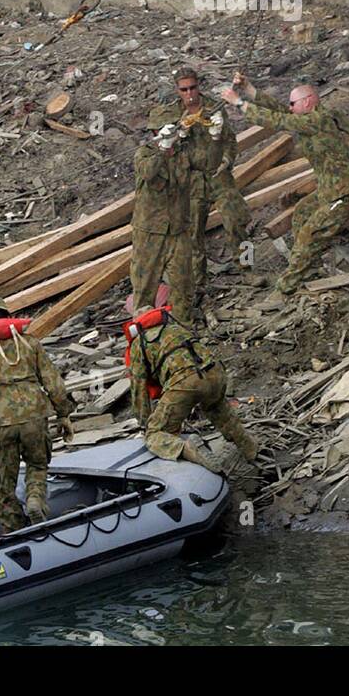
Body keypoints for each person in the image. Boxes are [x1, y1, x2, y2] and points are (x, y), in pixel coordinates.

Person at [220, 73, 349, 296]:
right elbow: (281, 111)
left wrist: (239, 103)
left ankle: (288, 285)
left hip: (348, 193)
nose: (290, 108)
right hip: (331, 190)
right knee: (301, 214)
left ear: (308, 101)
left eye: (293, 103)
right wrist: (248, 89)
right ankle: (310, 266)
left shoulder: (319, 121)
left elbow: (280, 120)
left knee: (310, 232)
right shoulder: (308, 120)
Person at [0, 298, 75, 535]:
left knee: (4, 484)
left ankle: (16, 533)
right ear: (7, 315)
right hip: (35, 414)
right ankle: (35, 499)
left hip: (1, 421)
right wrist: (63, 414)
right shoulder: (29, 341)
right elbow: (53, 380)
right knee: (37, 464)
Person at [148, 67, 252, 300]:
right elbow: (160, 149)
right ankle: (198, 282)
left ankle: (249, 269)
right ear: (177, 90)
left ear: (199, 86)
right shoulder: (171, 114)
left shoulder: (213, 107)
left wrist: (227, 159)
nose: (190, 93)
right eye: (184, 89)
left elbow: (230, 141)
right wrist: (174, 138)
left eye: (193, 87)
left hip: (218, 175)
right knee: (193, 235)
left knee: (237, 223)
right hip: (192, 181)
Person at [125, 302, 257, 471]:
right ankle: (250, 449)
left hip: (185, 381)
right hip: (215, 372)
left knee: (156, 434)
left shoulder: (139, 342)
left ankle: (188, 450)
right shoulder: (177, 329)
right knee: (219, 412)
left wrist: (144, 423)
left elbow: (138, 388)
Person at [130, 113, 195, 323]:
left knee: (183, 281)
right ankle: (144, 333)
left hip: (178, 228)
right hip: (150, 230)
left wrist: (213, 135)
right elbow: (148, 174)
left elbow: (208, 163)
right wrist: (162, 150)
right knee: (145, 281)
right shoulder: (144, 153)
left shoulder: (184, 151)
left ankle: (182, 327)